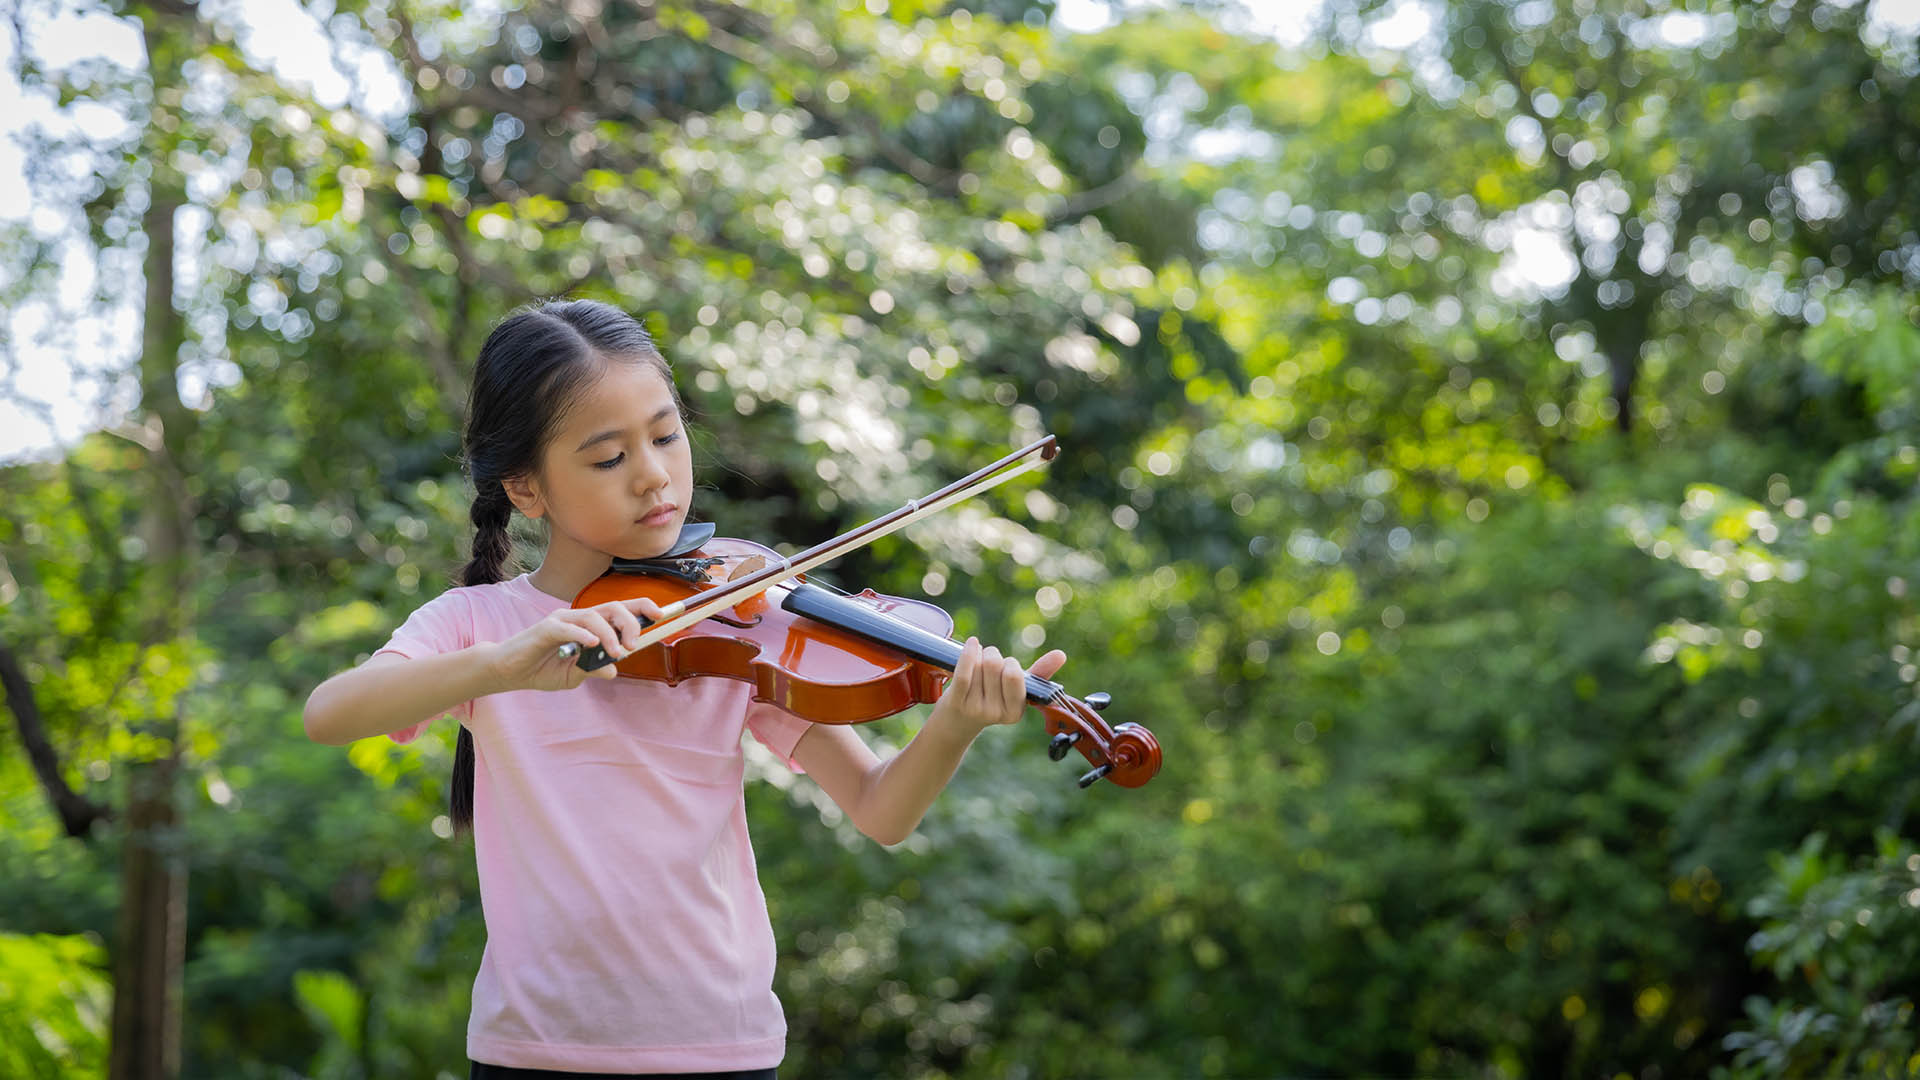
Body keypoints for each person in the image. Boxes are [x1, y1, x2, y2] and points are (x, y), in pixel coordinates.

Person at [301, 298, 1065, 1080]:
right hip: (535, 1050)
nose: (654, 475)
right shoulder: (482, 626)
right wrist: (500, 666)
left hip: (719, 1046)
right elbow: (329, 714)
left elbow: (880, 809)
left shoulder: (740, 618)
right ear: (526, 488)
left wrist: (953, 725)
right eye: (609, 459)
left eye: (666, 436)